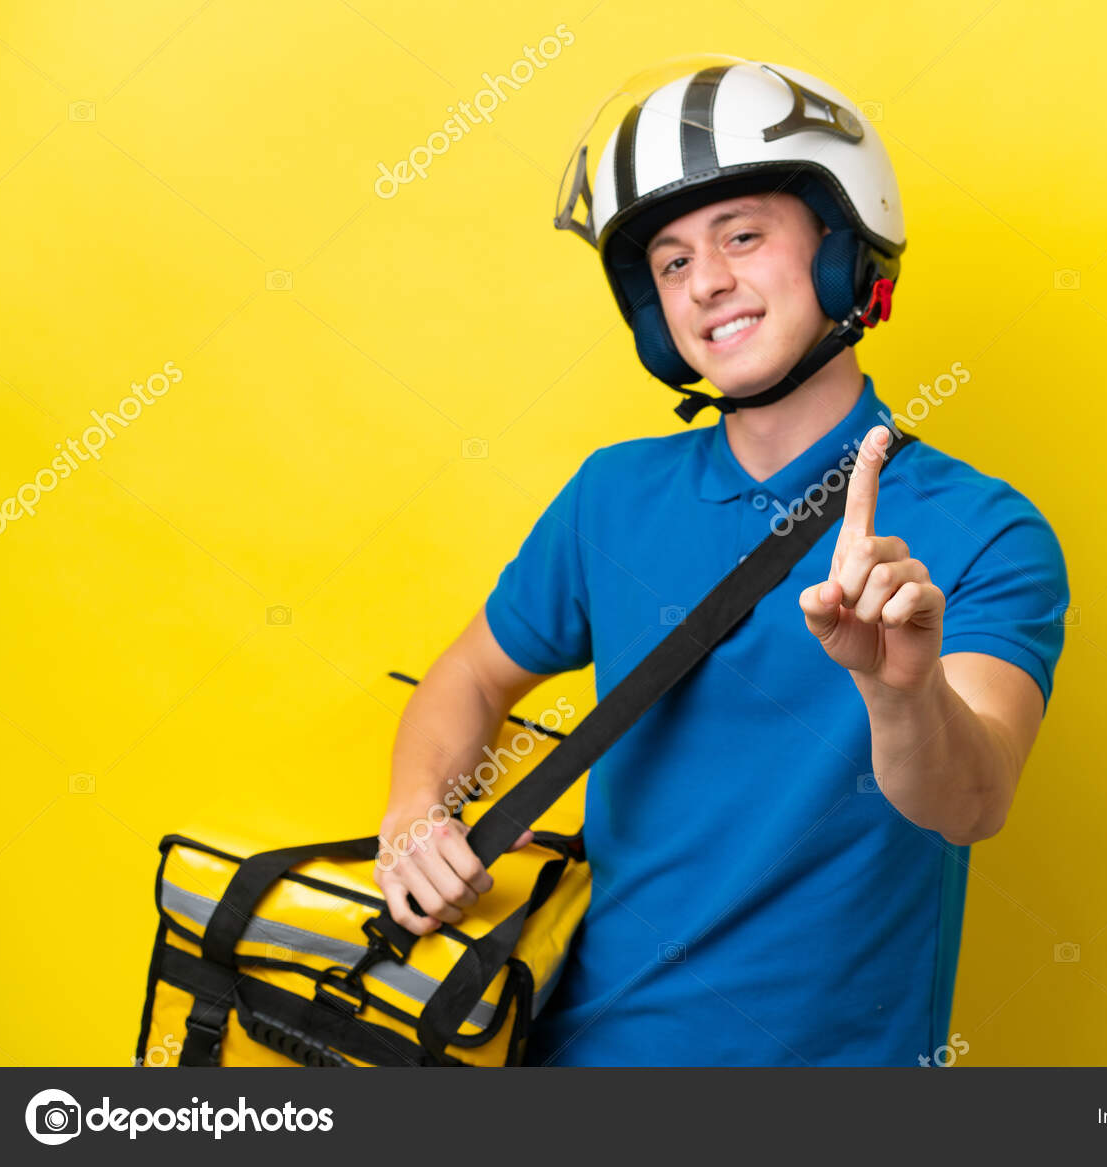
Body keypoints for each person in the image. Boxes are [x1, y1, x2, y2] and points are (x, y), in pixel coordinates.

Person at [372, 55, 1070, 1066]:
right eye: (670, 261)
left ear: (840, 253)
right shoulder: (612, 496)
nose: (706, 282)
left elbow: (972, 803)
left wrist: (899, 691)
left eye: (743, 236)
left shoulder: (986, 530)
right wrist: (412, 816)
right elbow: (471, 673)